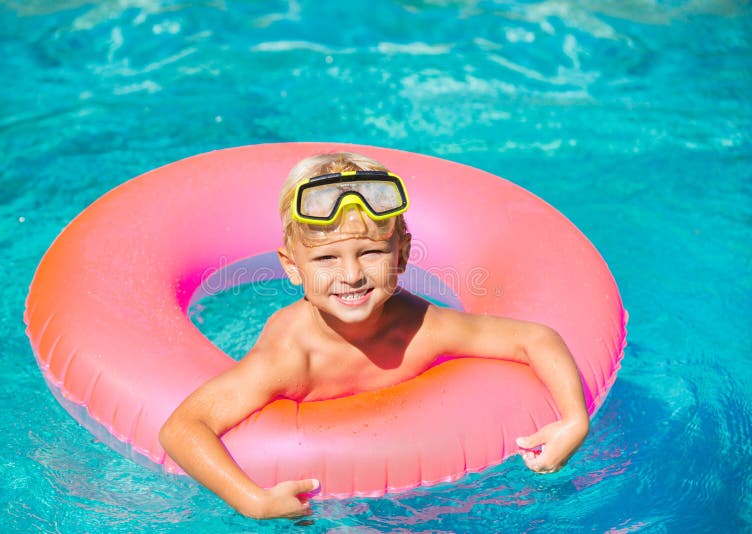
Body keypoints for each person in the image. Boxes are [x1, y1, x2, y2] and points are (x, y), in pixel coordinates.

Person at [159, 152, 590, 519]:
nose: (351, 275)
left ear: (402, 254)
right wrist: (253, 501)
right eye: (326, 258)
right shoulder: (291, 357)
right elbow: (183, 427)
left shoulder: (422, 328)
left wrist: (574, 419)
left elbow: (535, 338)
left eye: (370, 252)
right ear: (291, 267)